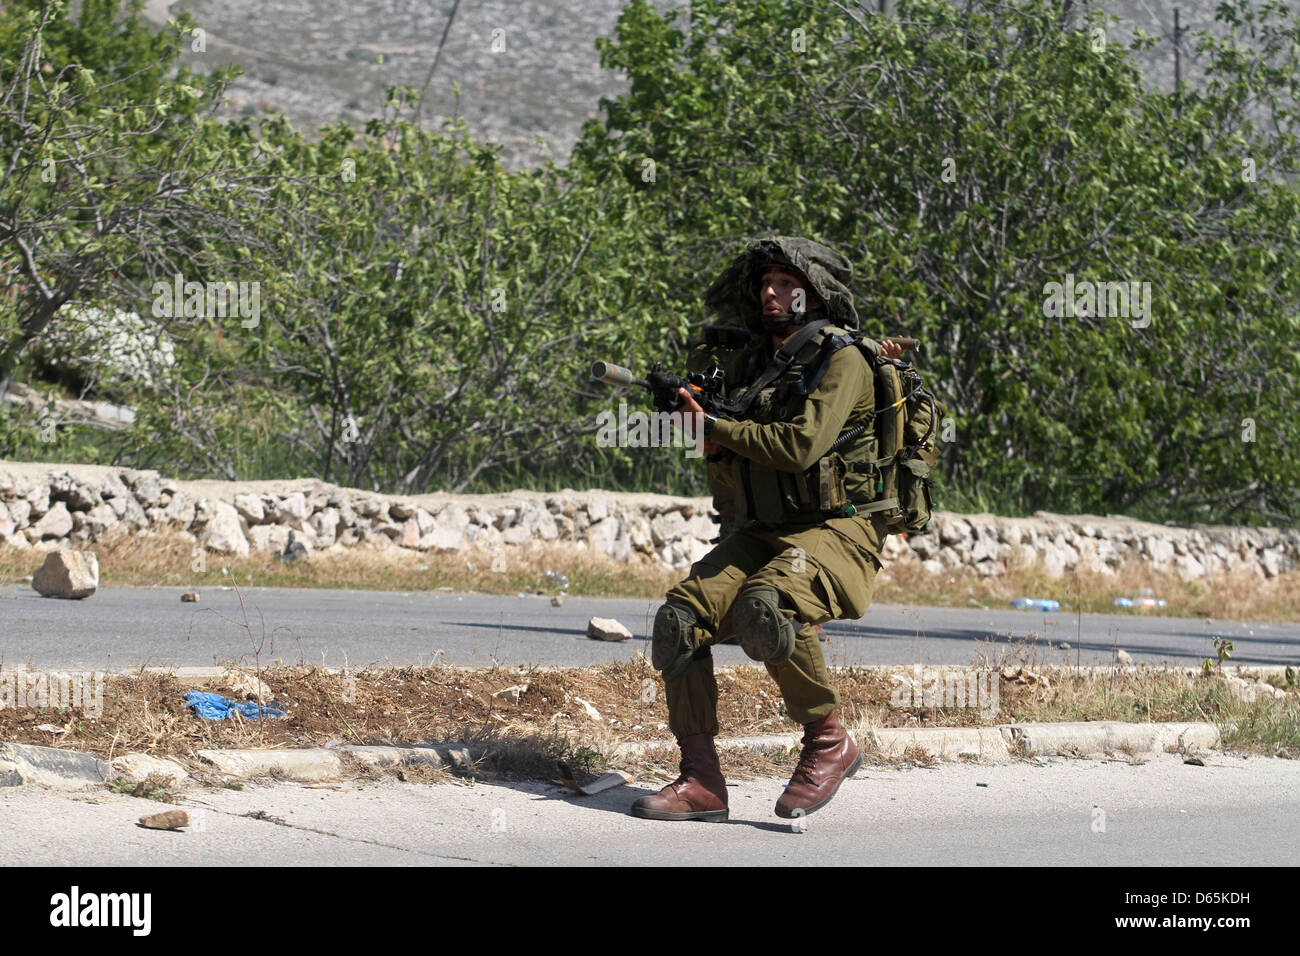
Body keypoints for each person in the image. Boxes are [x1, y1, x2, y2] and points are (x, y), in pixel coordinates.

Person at [631, 236, 902, 822]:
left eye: (786, 283)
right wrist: (699, 418)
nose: (770, 293)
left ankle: (829, 741)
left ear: (815, 292)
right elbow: (729, 449)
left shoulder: (845, 360)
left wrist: (717, 427)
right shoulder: (757, 364)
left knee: (766, 604)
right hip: (766, 529)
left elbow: (801, 447)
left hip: (837, 530)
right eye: (765, 284)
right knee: (680, 620)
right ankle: (701, 782)